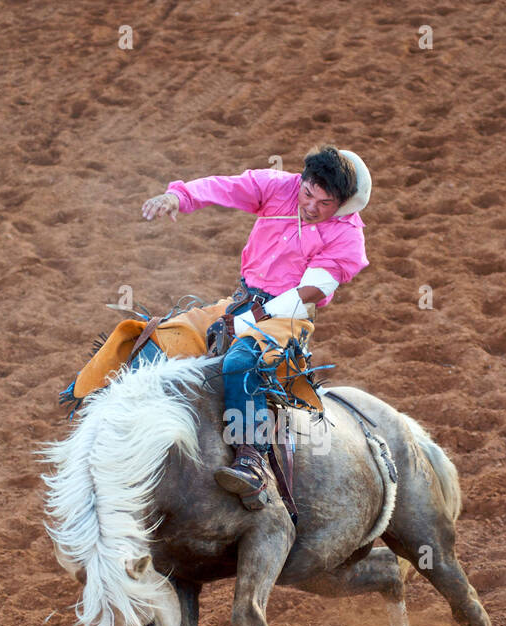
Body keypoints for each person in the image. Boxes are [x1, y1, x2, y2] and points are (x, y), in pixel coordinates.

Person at [140, 145, 371, 509]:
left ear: (341, 205)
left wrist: (247, 321)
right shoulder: (279, 187)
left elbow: (310, 290)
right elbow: (225, 187)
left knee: (240, 362)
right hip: (239, 302)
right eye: (308, 194)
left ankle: (251, 457)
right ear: (302, 181)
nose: (311, 207)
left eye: (324, 204)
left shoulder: (347, 237)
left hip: (287, 317)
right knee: (156, 341)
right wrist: (178, 196)